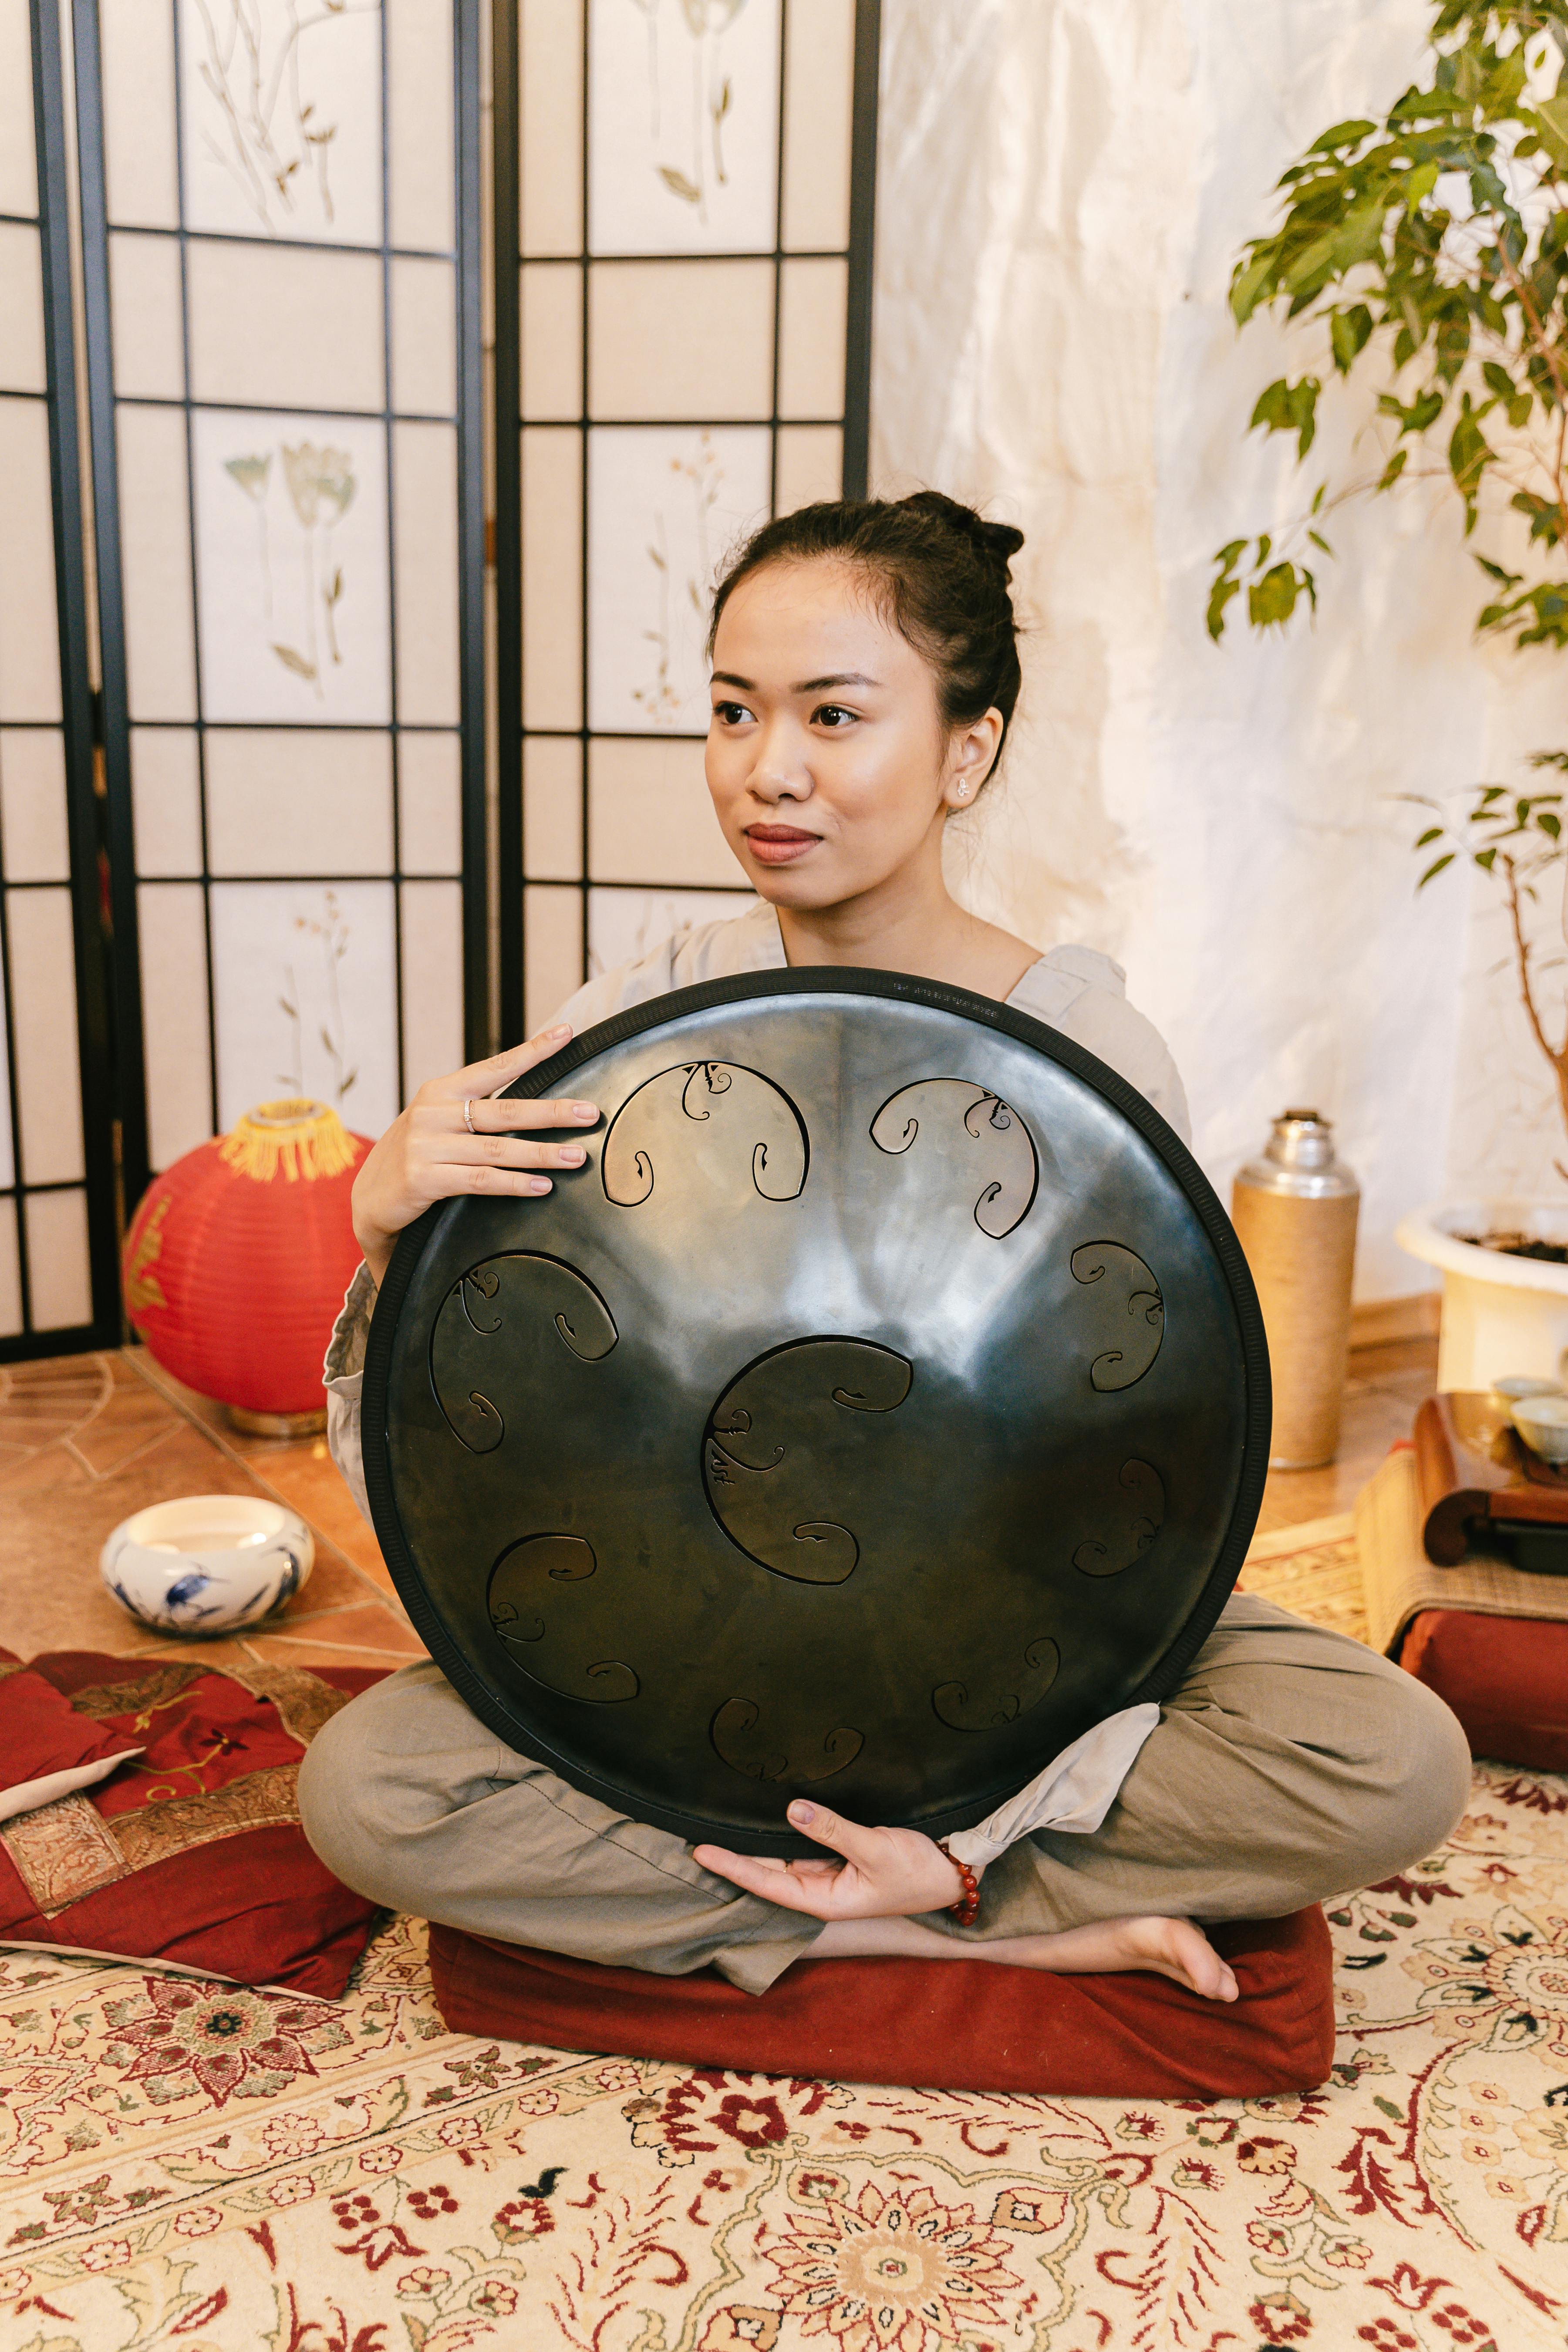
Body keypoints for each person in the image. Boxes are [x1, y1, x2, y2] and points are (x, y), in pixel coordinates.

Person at [298, 492, 1470, 2005]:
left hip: (1011, 1636)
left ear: (963, 751)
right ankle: (936, 1922)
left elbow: (1150, 1462)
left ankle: (929, 1880)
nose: (767, 769)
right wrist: (390, 1221)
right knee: (372, 1791)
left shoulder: (1083, 1046)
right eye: (732, 711)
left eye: (833, 714)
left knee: (1390, 1760)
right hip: (691, 1617)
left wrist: (989, 1814)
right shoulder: (636, 1022)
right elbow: (472, 1430)